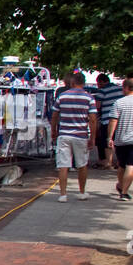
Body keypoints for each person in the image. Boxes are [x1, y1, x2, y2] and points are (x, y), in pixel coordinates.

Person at [50, 71, 96, 201]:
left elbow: (54, 116)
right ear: (83, 83)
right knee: (82, 164)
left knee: (63, 165)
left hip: (64, 134)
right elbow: (93, 119)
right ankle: (82, 192)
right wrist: (92, 137)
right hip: (80, 135)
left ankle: (63, 194)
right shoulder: (89, 98)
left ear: (72, 82)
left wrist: (54, 131)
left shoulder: (62, 96)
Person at [92, 73, 120, 168]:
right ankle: (119, 161)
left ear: (102, 82)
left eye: (98, 83)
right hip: (120, 120)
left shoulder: (102, 91)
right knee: (119, 141)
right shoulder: (120, 89)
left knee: (106, 140)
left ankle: (107, 161)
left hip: (107, 119)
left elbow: (97, 106)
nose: (98, 86)